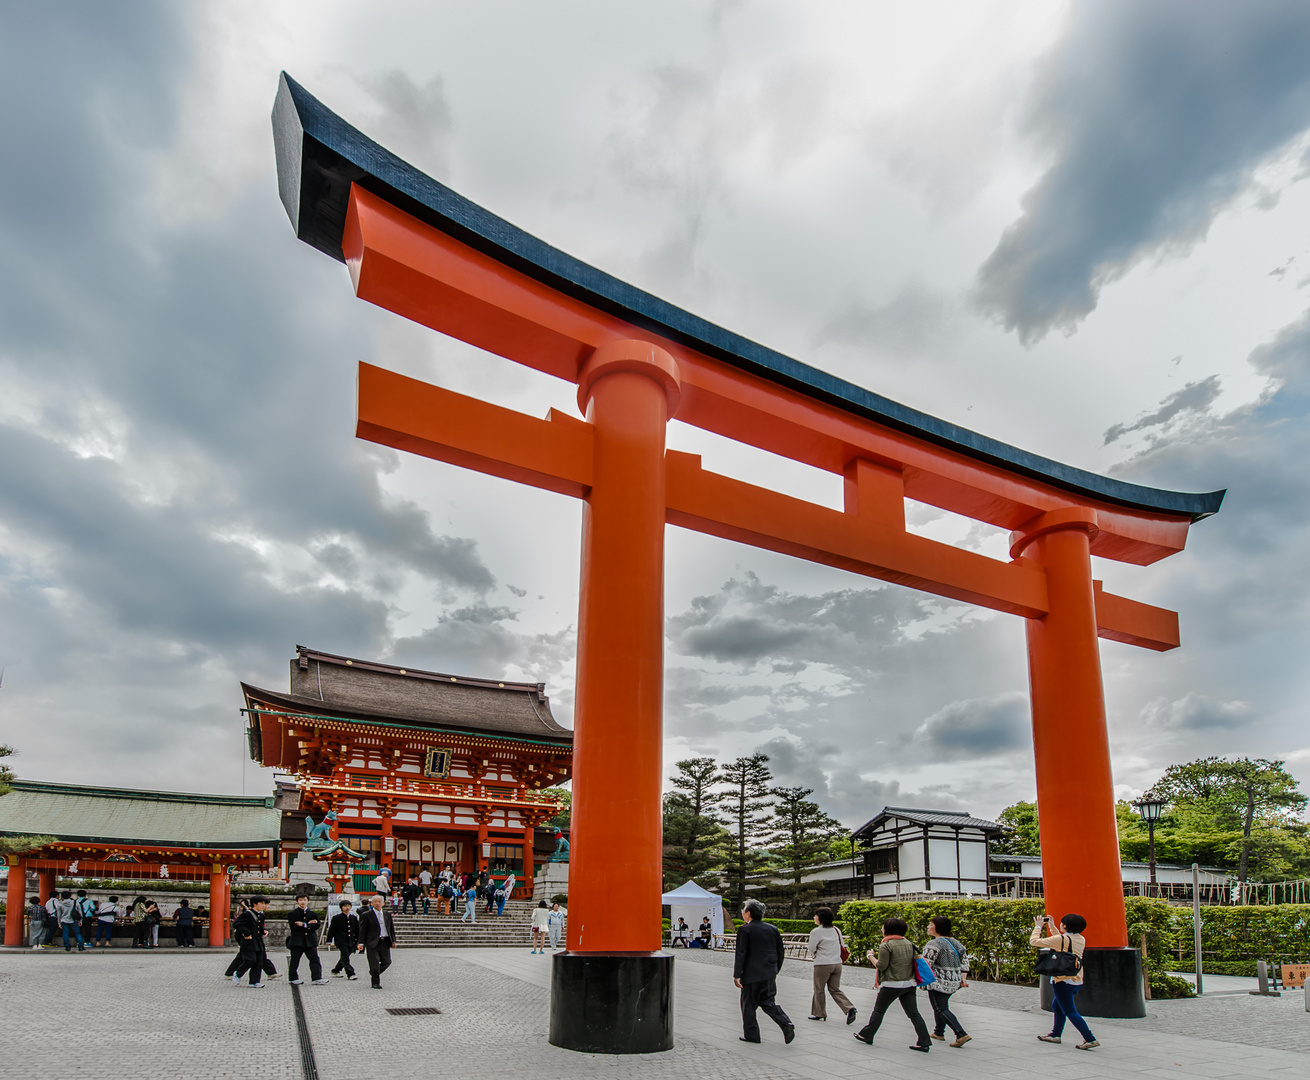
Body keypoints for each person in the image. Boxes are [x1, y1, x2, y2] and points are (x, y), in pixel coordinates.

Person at [853, 917, 931, 1052]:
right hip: (910, 983)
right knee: (914, 1013)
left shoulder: (886, 945)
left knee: (879, 1011)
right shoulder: (909, 943)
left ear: (888, 930)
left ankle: (867, 1035)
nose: (882, 929)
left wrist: (870, 956)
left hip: (891, 984)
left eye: (883, 927)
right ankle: (924, 1041)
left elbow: (881, 966)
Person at [1031, 913, 1097, 1050]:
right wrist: (1052, 926)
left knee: (1070, 1011)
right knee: (1057, 1006)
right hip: (1076, 979)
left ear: (1065, 926)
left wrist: (1038, 927)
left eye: (1062, 923)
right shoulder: (1080, 938)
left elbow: (1034, 941)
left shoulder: (1062, 939)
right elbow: (1063, 942)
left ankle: (1090, 1038)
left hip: (1063, 981)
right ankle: (1055, 1034)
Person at [734, 900, 795, 1045]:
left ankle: (752, 1035)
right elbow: (780, 952)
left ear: (748, 913)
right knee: (768, 1001)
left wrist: (737, 974)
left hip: (751, 974)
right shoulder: (772, 929)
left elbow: (741, 954)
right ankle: (785, 1022)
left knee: (748, 1004)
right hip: (769, 972)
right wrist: (774, 969)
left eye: (744, 910)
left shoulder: (745, 930)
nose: (743, 913)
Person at [923, 915, 971, 1047]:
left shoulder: (934, 944)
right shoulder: (957, 943)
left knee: (940, 1008)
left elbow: (926, 963)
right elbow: (965, 962)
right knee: (942, 1005)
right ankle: (939, 1032)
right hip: (954, 980)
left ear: (937, 927)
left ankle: (960, 1033)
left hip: (938, 980)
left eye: (930, 924)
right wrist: (963, 978)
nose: (928, 927)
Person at [807, 906, 857, 1024]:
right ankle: (849, 1008)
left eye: (816, 915)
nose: (814, 917)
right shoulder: (836, 929)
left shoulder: (816, 932)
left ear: (821, 918)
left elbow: (811, 948)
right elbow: (842, 945)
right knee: (835, 989)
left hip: (823, 964)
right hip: (837, 963)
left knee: (819, 989)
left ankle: (819, 1013)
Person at [357, 893, 398, 989]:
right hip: (372, 942)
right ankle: (375, 982)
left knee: (387, 961)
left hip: (384, 941)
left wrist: (393, 940)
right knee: (374, 963)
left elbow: (391, 928)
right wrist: (361, 943)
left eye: (379, 902)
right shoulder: (366, 915)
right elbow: (362, 930)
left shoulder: (387, 914)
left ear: (383, 903)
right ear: (371, 904)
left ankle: (374, 973)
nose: (377, 903)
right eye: (375, 902)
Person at [287, 894, 327, 985]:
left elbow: (316, 925)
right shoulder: (292, 914)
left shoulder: (313, 914)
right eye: (300, 900)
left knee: (314, 959)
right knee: (295, 960)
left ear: (308, 901)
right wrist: (309, 924)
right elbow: (294, 927)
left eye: (304, 900)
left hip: (310, 941)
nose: (303, 902)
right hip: (297, 941)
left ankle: (316, 978)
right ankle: (293, 978)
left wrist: (304, 924)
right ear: (297, 901)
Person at [231, 896, 270, 987]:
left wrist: (264, 931)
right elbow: (237, 924)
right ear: (254, 904)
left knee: (259, 962)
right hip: (248, 942)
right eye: (261, 903)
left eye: (264, 903)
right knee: (250, 960)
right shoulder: (247, 914)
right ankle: (238, 973)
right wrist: (246, 932)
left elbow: (259, 926)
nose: (263, 905)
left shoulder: (261, 915)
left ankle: (254, 981)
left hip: (258, 941)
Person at [325, 899, 360, 979]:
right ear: (341, 908)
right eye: (345, 906)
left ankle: (336, 970)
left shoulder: (353, 918)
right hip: (341, 941)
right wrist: (329, 940)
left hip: (351, 940)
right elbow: (332, 930)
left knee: (345, 956)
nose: (347, 908)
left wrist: (358, 940)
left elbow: (357, 930)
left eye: (348, 906)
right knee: (345, 957)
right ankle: (350, 973)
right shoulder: (337, 918)